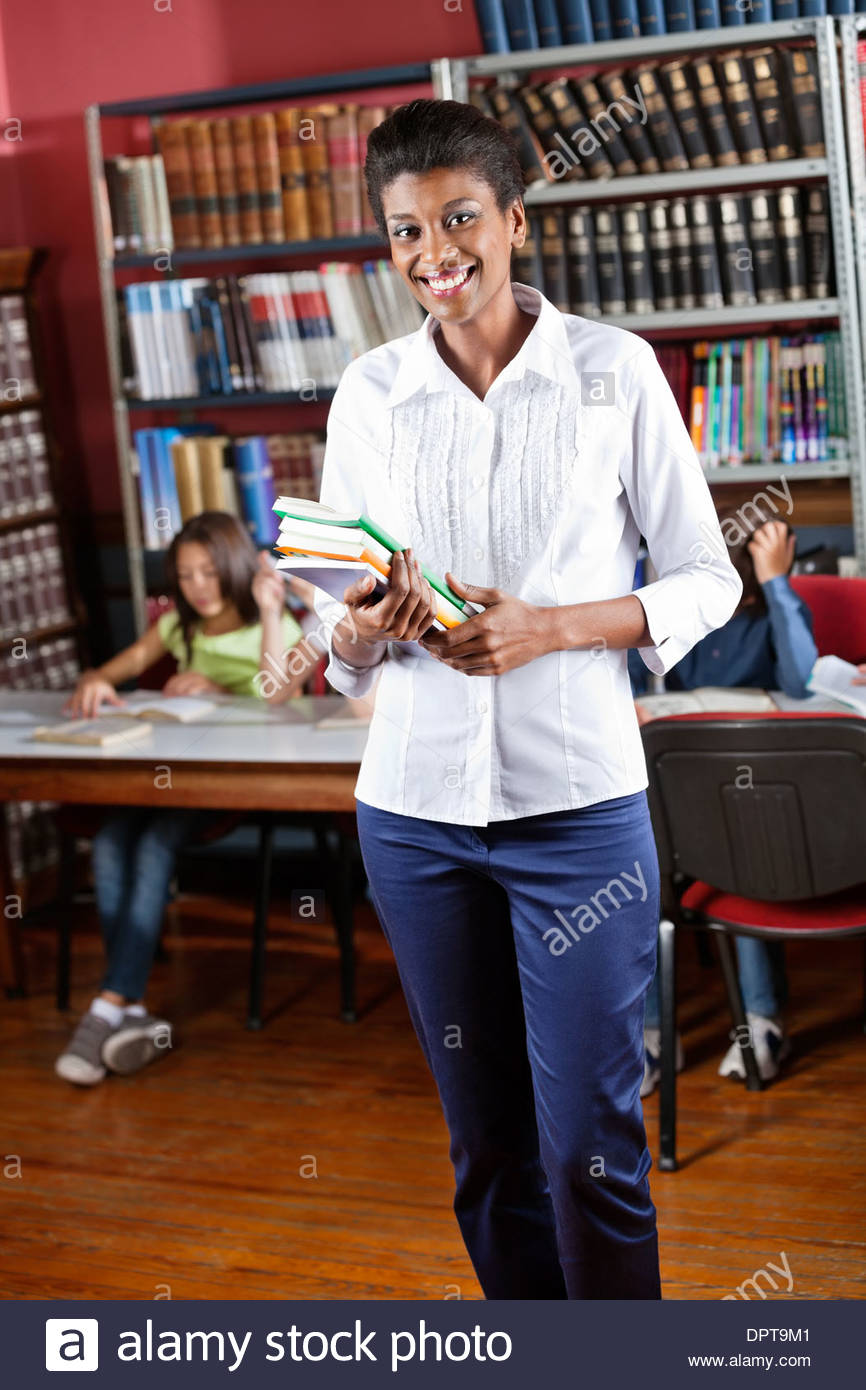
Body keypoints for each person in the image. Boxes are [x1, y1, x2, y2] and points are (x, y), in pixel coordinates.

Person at [311, 99, 742, 1300]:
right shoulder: (367, 395)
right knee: (484, 1145)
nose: (433, 253)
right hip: (412, 816)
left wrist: (547, 627)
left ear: (512, 216)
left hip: (578, 815)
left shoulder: (613, 373)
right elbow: (333, 632)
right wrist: (358, 625)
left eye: (457, 217)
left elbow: (708, 576)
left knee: (589, 1146)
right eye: (403, 232)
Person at [55, 511, 307, 1087]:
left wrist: (245, 651)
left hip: (234, 784)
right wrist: (95, 678)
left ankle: (109, 1004)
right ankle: (129, 1008)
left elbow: (277, 696)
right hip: (167, 776)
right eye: (186, 575)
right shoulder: (178, 627)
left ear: (237, 568)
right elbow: (118, 669)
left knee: (152, 847)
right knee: (113, 839)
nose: (199, 586)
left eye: (210, 572)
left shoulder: (277, 626)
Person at [634, 506, 818, 1097]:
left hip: (756, 794)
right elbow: (634, 688)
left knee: (740, 855)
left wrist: (775, 581)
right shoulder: (678, 612)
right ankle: (653, 1032)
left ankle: (760, 1022)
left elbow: (801, 680)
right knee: (640, 870)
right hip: (682, 787)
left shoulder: (768, 614)